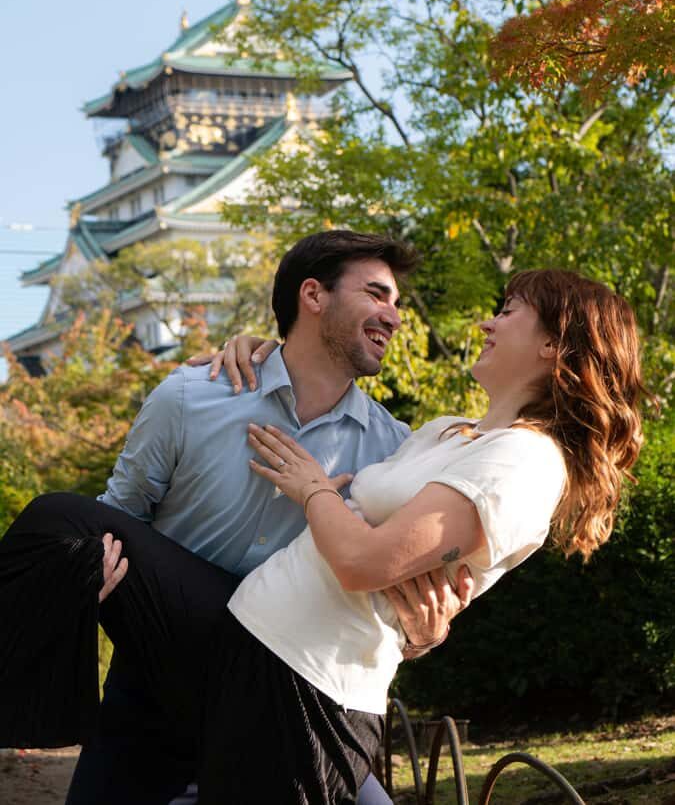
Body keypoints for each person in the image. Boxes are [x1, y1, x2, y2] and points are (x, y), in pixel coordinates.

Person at [0, 265, 646, 805]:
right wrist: (264, 350)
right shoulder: (445, 433)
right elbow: (377, 532)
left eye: (507, 311)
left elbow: (367, 563)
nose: (486, 323)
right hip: (241, 637)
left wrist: (313, 491)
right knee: (61, 524)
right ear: (312, 296)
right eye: (375, 294)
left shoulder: (524, 460)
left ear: (554, 344)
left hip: (307, 681)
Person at [64, 231, 471, 805]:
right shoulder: (189, 398)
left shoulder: (393, 453)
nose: (395, 316)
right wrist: (91, 576)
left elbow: (394, 592)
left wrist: (426, 634)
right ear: (314, 295)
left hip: (292, 705)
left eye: (397, 303)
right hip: (157, 688)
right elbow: (118, 519)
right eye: (377, 295)